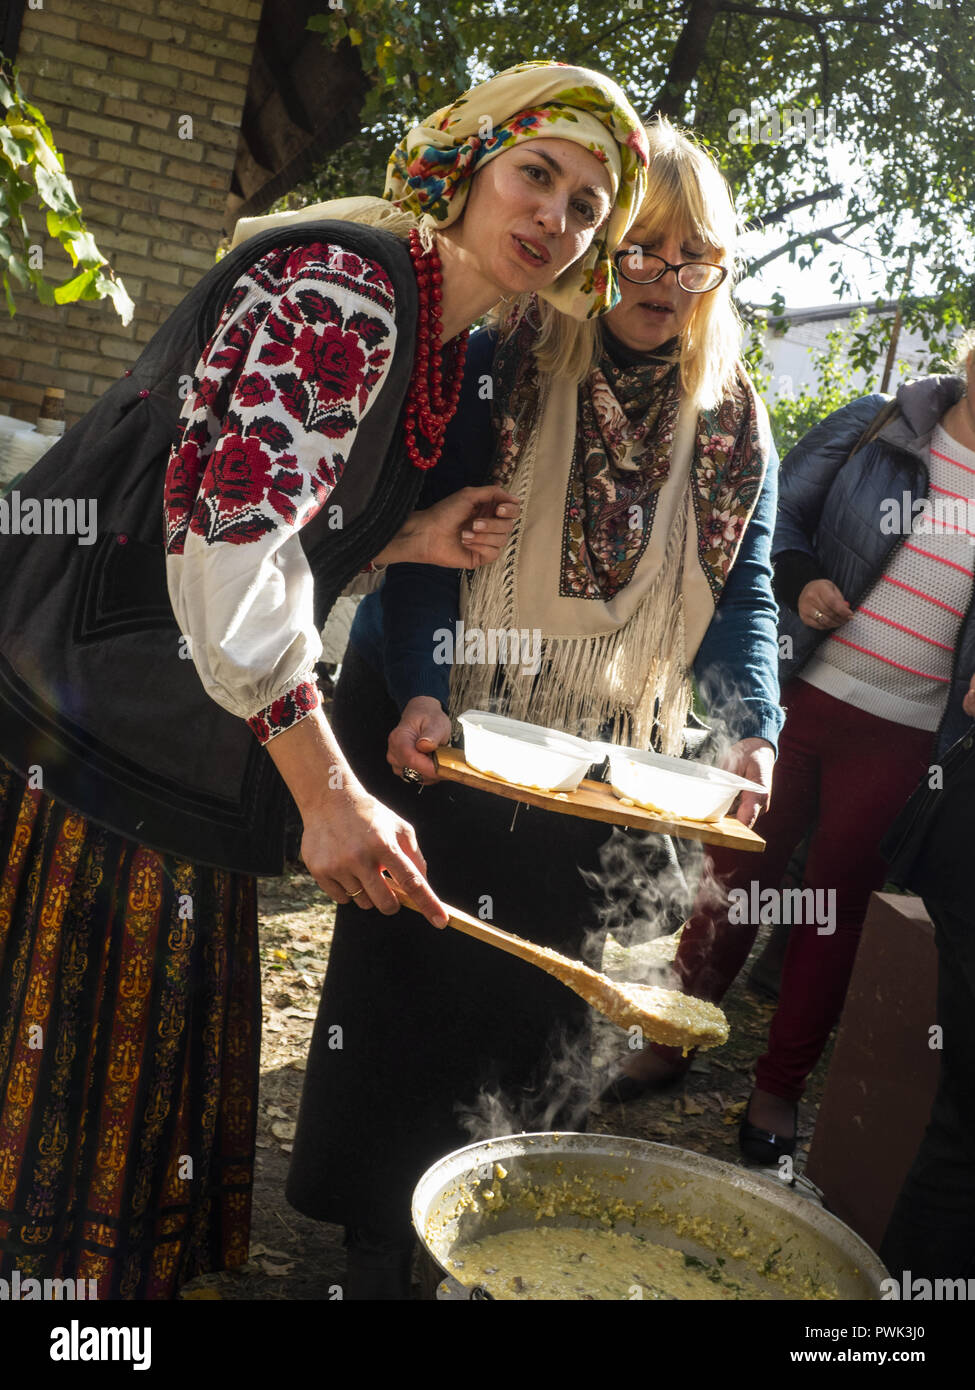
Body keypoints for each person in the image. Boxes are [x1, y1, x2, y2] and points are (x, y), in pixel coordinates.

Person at [0, 60, 649, 1298]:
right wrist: (327, 789)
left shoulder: (430, 324)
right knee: (65, 1098)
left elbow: (270, 509)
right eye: (538, 174)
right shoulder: (348, 289)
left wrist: (405, 534)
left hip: (157, 737)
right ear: (463, 167)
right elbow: (231, 538)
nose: (556, 219)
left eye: (585, 209)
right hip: (94, 731)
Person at [285, 117, 782, 1297]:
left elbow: (743, 594)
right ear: (600, 250)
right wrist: (418, 690)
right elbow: (426, 546)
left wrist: (752, 727)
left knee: (532, 1009)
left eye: (695, 255)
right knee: (404, 999)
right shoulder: (502, 352)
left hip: (589, 767)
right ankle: (371, 1246)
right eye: (644, 249)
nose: (666, 279)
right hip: (442, 730)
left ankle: (482, 1242)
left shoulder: (733, 420)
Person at [618, 330, 975, 1167]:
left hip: (908, 736)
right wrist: (801, 577)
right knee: (734, 874)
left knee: (832, 911)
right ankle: (668, 1040)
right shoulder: (878, 423)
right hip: (798, 701)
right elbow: (772, 522)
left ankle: (777, 1088)